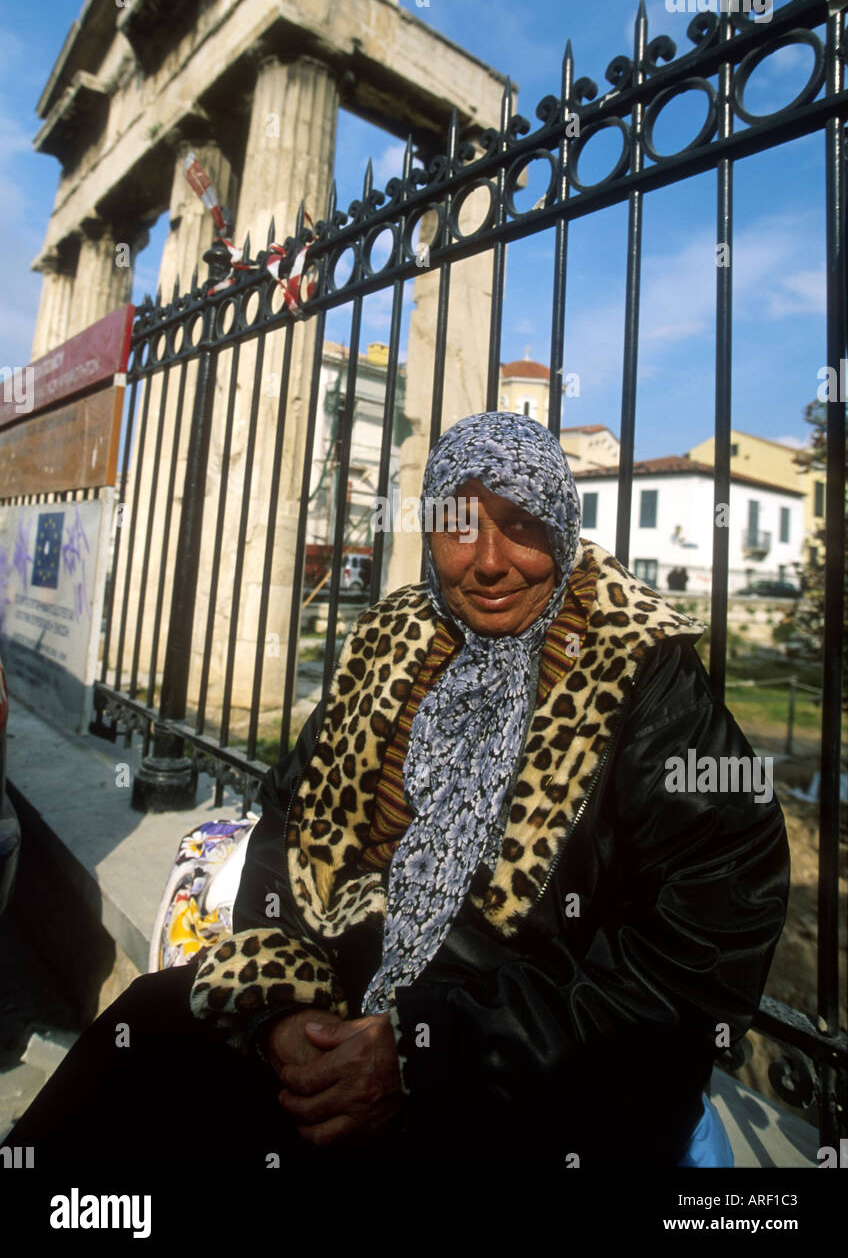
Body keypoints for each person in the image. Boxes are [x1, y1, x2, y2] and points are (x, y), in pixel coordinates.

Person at [7, 412, 789, 1168]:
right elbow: (291, 821)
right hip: (336, 1010)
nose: (487, 559)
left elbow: (704, 935)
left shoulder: (642, 674)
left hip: (515, 1065)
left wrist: (427, 1055)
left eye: (520, 524)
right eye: (459, 524)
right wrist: (282, 1010)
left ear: (562, 531)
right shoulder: (393, 643)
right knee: (148, 1027)